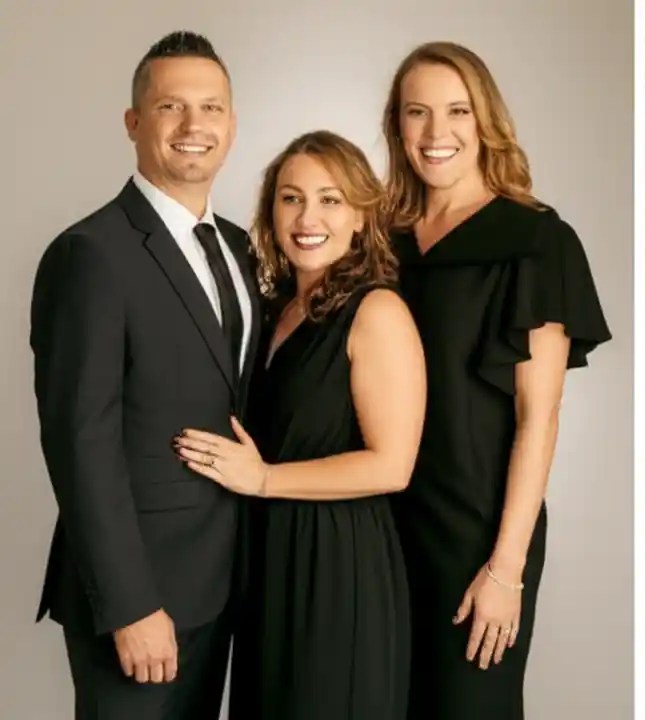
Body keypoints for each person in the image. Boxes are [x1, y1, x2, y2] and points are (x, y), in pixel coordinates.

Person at [379, 41, 612, 719]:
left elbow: (539, 417)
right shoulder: (381, 241)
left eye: (457, 110)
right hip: (379, 525)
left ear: (486, 120)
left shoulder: (537, 241)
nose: (436, 131)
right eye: (417, 112)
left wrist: (506, 568)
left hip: (476, 533)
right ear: (397, 125)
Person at [29, 31, 255, 719]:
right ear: (133, 122)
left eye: (211, 108)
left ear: (232, 124)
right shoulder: (90, 253)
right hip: (141, 599)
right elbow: (80, 440)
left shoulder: (242, 248)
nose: (194, 125)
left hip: (222, 586)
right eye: (170, 107)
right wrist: (130, 604)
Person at [171, 130, 425, 719]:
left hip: (337, 568)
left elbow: (393, 466)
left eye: (330, 200)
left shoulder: (377, 311)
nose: (308, 218)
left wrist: (263, 479)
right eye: (292, 199)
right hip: (268, 568)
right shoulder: (272, 309)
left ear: (361, 216)